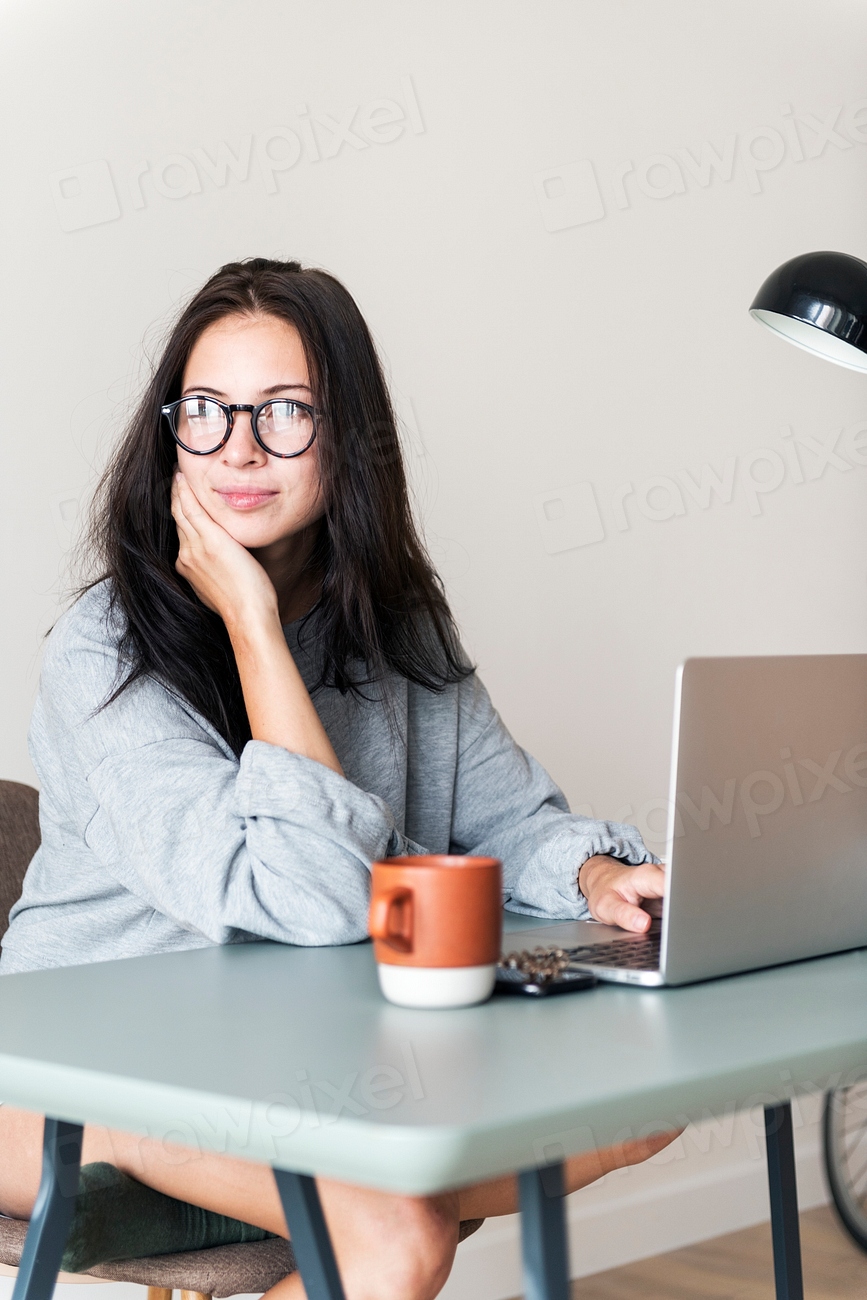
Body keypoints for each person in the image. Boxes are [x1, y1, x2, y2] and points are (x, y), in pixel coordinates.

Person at [0, 259, 672, 1300]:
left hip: (279, 1065)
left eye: (285, 413)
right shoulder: (106, 651)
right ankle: (367, 1197)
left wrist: (591, 875)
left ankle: (367, 1189)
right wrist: (254, 626)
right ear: (169, 428)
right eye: (208, 411)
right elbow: (309, 902)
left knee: (639, 1107)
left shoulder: (395, 629)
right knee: (400, 1231)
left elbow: (505, 818)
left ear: (347, 437)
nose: (239, 447)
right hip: (67, 1067)